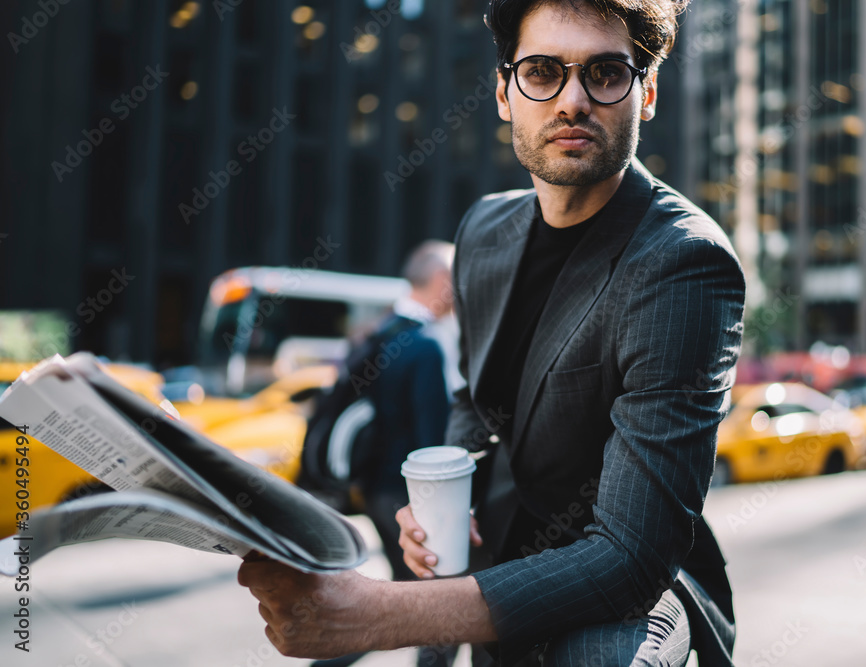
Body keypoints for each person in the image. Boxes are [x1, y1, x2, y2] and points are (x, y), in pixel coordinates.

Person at [239, 1, 744, 665]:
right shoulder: (482, 229)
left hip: (630, 599)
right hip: (502, 555)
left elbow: (629, 557)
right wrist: (447, 493)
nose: (572, 100)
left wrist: (373, 615)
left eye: (605, 73)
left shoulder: (685, 263)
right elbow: (475, 399)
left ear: (645, 94)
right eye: (542, 71)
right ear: (506, 92)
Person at [312, 241, 459, 667]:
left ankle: (328, 663)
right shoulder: (425, 345)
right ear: (441, 282)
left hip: (374, 488)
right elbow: (434, 442)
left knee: (409, 592)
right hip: (412, 496)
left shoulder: (375, 333)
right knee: (438, 603)